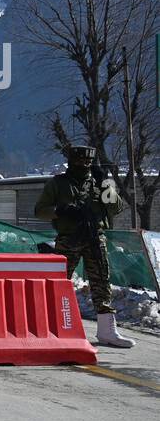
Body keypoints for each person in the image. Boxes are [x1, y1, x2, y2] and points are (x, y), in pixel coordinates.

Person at [34, 145, 134, 348]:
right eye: (80, 161)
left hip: (95, 237)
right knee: (58, 283)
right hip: (68, 238)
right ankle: (47, 326)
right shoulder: (58, 184)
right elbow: (40, 211)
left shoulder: (99, 182)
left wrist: (107, 183)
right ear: (71, 161)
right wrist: (61, 210)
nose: (84, 165)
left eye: (88, 162)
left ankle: (107, 331)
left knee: (101, 282)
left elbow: (116, 208)